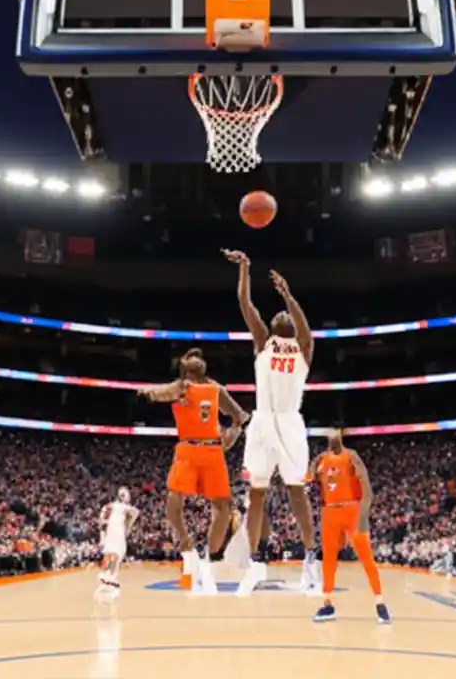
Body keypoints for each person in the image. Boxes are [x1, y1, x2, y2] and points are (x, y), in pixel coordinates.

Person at [222, 249, 320, 596]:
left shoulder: (303, 348)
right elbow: (244, 304)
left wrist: (289, 296)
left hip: (291, 422)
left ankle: (311, 560)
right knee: (256, 493)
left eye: (287, 314)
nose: (281, 314)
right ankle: (255, 563)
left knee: (297, 492)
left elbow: (306, 331)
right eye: (280, 312)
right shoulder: (263, 341)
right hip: (263, 422)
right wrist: (246, 269)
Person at [138, 348, 249, 594]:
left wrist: (234, 431)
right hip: (188, 449)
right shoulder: (182, 387)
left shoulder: (215, 389)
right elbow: (164, 392)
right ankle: (188, 548)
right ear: (187, 369)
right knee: (172, 501)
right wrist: (149, 393)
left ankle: (209, 559)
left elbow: (240, 415)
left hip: (212, 450)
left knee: (223, 507)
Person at [306, 429, 388, 624]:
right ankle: (327, 605)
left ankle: (380, 603)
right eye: (329, 435)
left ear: (341, 438)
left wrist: (363, 516)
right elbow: (310, 478)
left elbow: (367, 488)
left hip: (352, 510)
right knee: (328, 559)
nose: (332, 437)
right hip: (330, 513)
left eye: (335, 434)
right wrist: (312, 466)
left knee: (366, 557)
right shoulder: (322, 460)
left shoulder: (352, 456)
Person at [95, 487, 140, 601]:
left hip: (112, 532)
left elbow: (101, 523)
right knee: (115, 553)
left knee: (112, 553)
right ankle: (109, 578)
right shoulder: (120, 507)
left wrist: (102, 536)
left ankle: (107, 577)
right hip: (116, 532)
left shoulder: (109, 507)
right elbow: (135, 512)